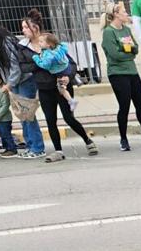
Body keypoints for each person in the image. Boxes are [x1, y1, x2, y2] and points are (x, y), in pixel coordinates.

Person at [0, 16, 44, 158]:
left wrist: (9, 84)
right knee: (23, 115)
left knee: (28, 115)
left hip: (23, 81)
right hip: (16, 82)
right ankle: (31, 145)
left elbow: (15, 66)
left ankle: (37, 148)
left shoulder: (4, 42)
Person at [101, 0, 141, 151]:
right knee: (124, 106)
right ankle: (123, 138)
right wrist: (127, 52)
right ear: (115, 14)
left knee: (140, 105)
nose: (126, 14)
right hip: (118, 73)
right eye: (123, 12)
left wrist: (128, 51)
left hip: (131, 71)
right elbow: (114, 54)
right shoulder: (109, 32)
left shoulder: (126, 30)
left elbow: (135, 48)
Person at [31, 27, 94, 162]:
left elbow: (71, 63)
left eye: (26, 27)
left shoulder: (54, 49)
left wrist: (68, 76)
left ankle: (87, 140)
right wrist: (36, 57)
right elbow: (26, 67)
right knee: (50, 119)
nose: (24, 30)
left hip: (61, 85)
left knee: (68, 117)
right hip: (44, 88)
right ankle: (58, 150)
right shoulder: (26, 49)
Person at [31, 32, 74, 111]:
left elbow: (45, 65)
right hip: (66, 67)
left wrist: (36, 58)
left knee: (62, 89)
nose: (39, 43)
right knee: (62, 88)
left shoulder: (49, 55)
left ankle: (71, 101)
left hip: (59, 72)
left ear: (48, 44)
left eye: (41, 42)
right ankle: (71, 99)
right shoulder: (59, 48)